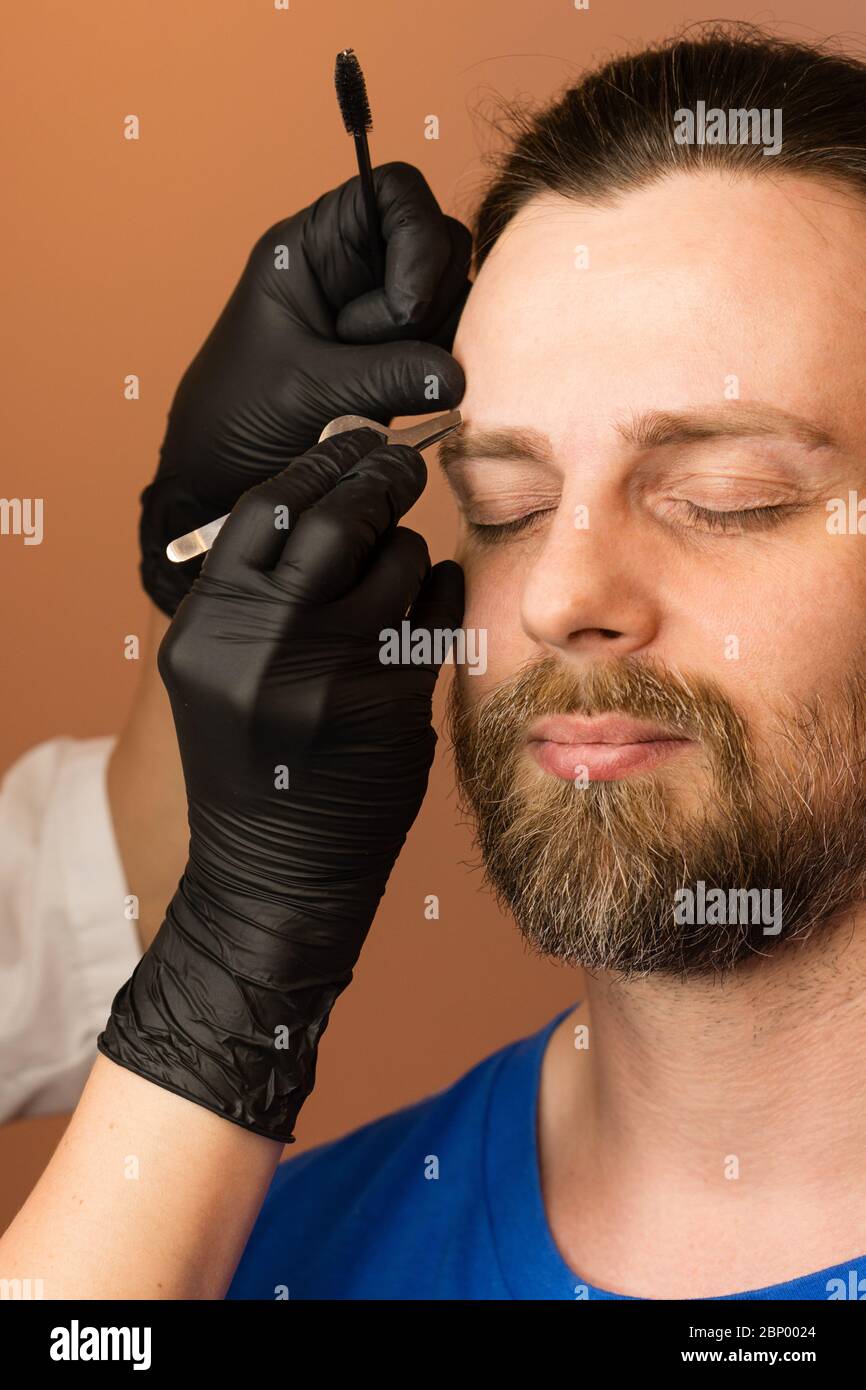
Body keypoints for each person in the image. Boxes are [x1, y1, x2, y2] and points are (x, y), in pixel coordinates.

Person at [4, 21, 866, 1302]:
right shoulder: (221, 1259)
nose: (563, 592)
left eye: (727, 496)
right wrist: (226, 968)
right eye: (507, 505)